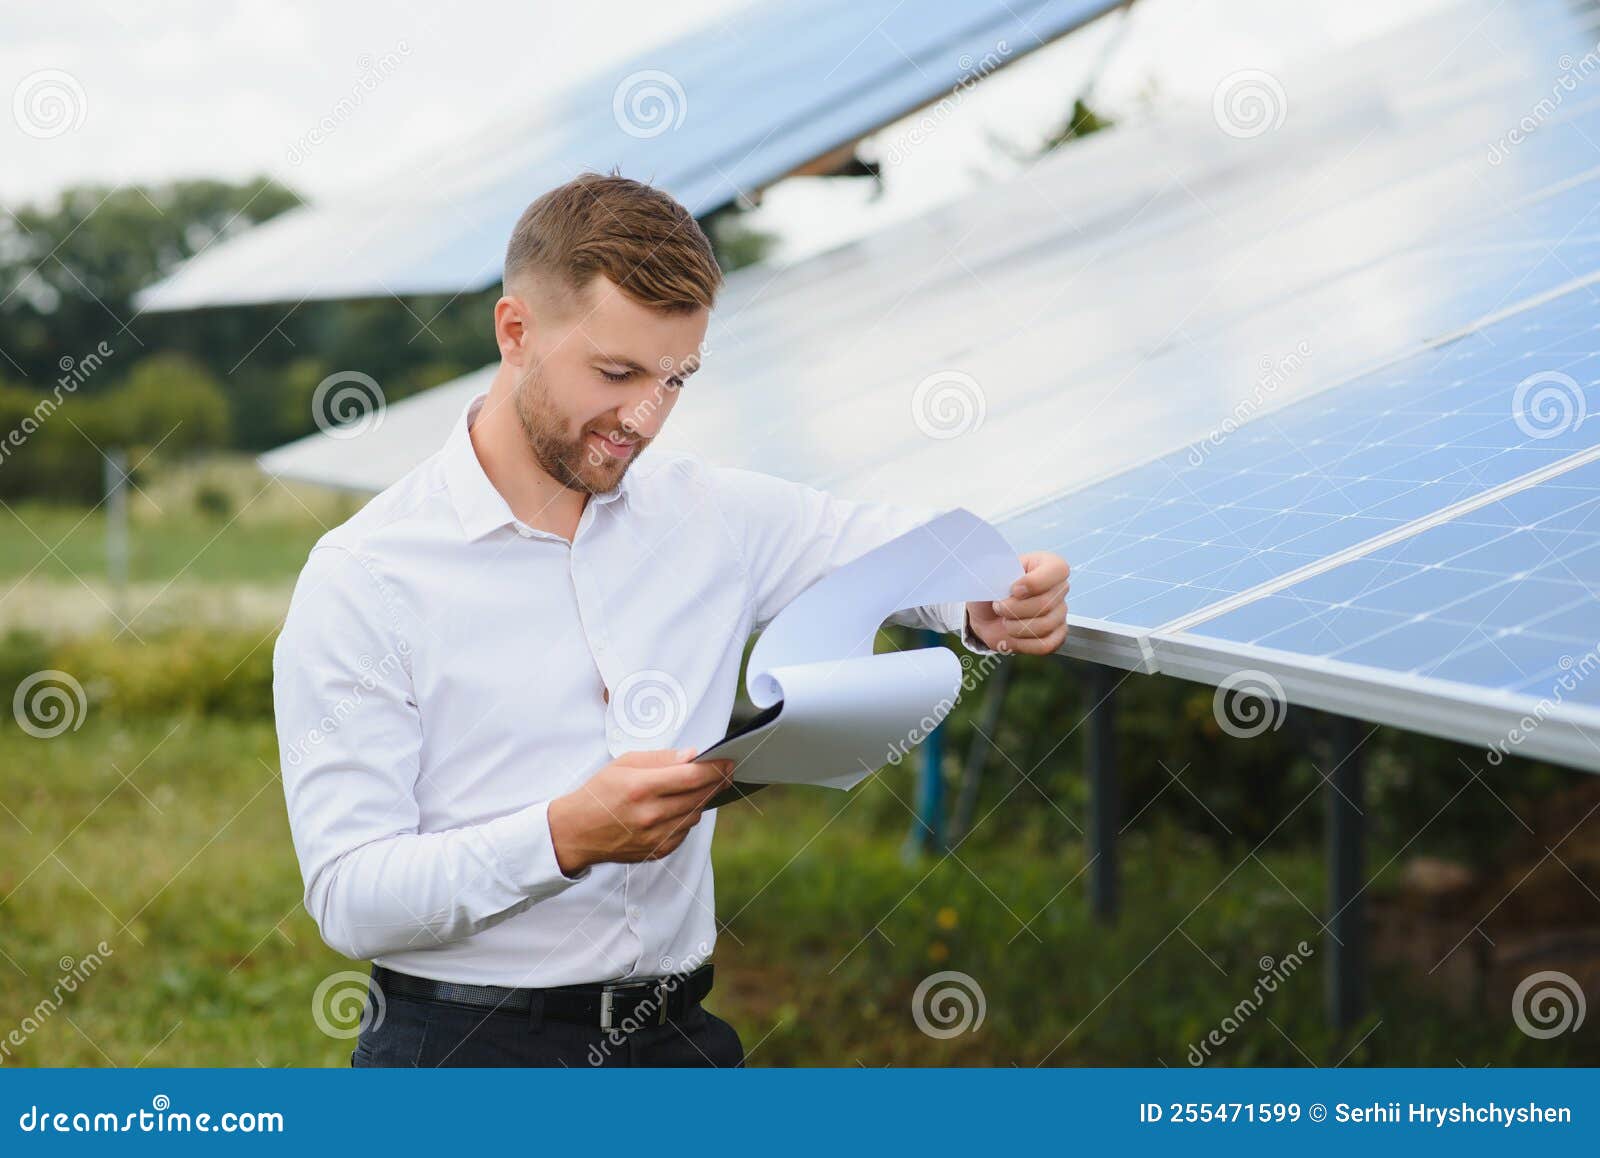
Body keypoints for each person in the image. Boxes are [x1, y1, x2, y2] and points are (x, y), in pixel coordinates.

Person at [272, 172, 1070, 1068]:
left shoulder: (710, 516)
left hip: (680, 1042)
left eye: (674, 379)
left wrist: (992, 597)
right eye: (615, 373)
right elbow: (350, 895)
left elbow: (907, 557)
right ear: (515, 331)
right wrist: (567, 836)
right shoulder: (366, 578)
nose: (642, 418)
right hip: (465, 1054)